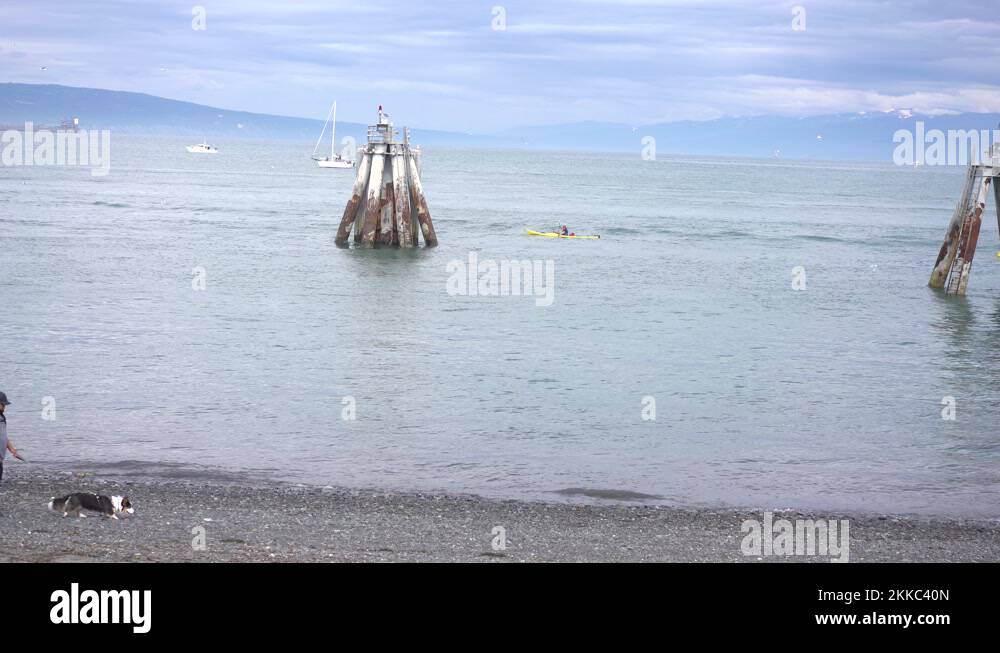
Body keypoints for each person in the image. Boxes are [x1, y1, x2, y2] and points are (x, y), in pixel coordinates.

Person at [0, 391, 22, 482]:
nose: (4, 407)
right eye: (3, 405)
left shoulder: (2, 418)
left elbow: (4, 436)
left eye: (5, 405)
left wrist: (12, 449)